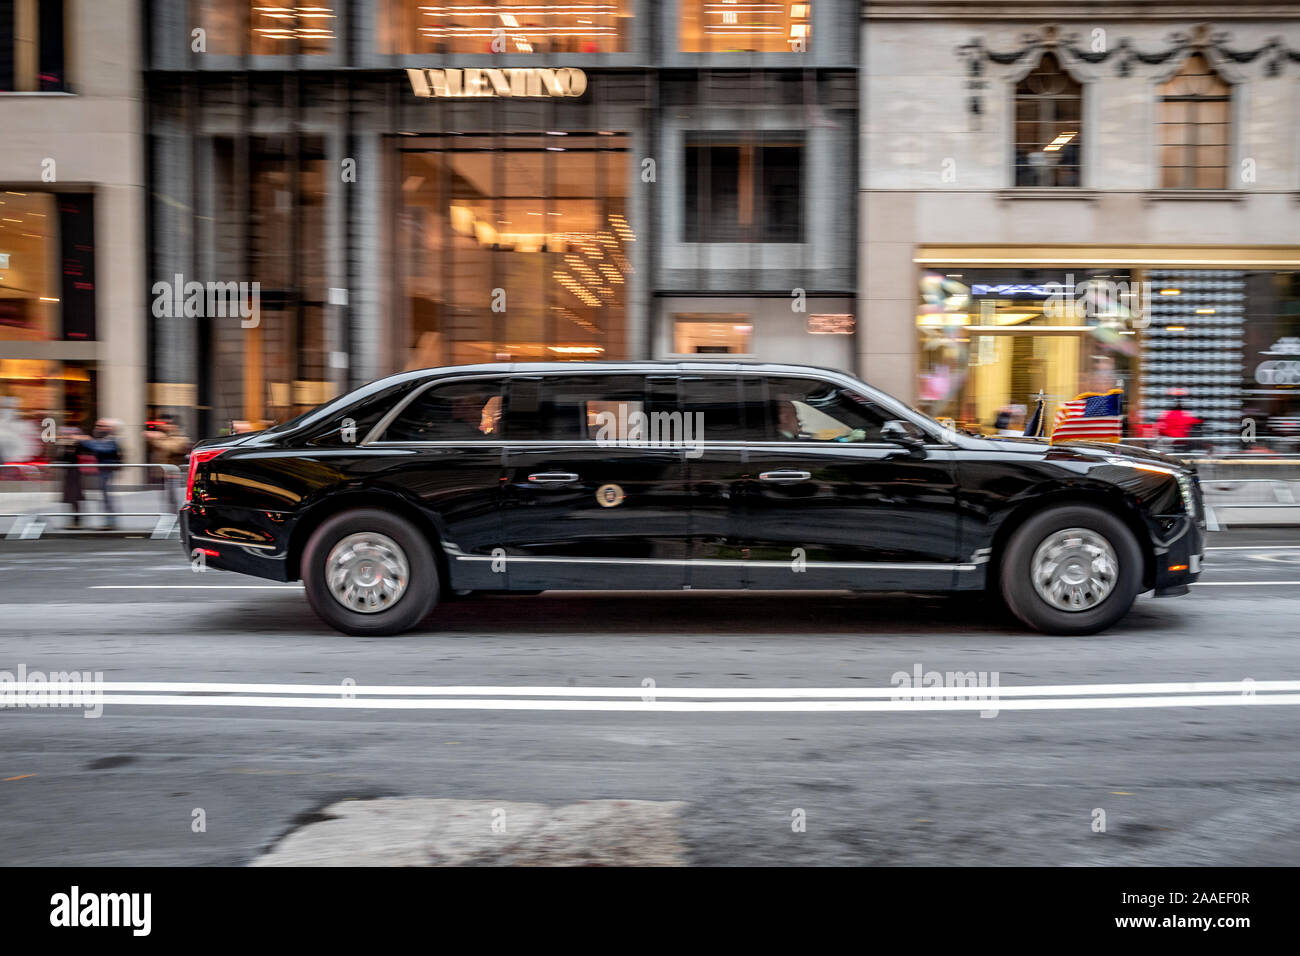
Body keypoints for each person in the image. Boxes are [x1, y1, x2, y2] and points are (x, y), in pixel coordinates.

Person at [79, 419, 122, 529]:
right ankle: (109, 521)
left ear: (109, 429)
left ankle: (111, 521)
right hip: (103, 470)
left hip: (108, 470)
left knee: (107, 496)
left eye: (101, 426)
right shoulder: (103, 439)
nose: (98, 428)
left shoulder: (113, 440)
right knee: (105, 496)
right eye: (97, 426)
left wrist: (86, 441)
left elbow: (101, 448)